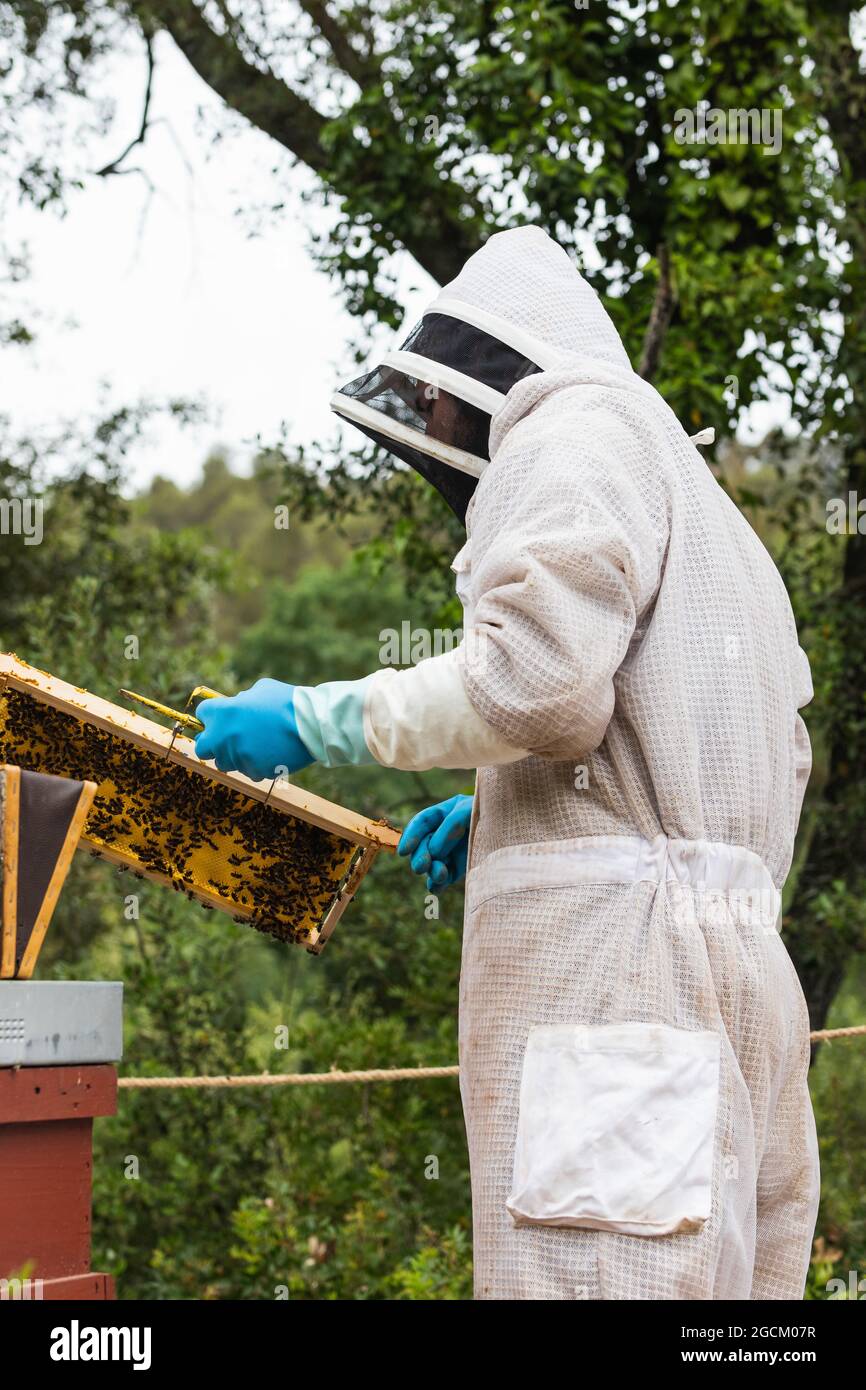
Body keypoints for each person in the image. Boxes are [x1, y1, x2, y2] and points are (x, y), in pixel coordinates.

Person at [195, 226, 820, 1301]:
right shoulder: (705, 512)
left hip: (617, 987)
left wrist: (310, 716)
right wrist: (497, 818)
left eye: (436, 400)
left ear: (485, 372)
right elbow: (710, 760)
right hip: (732, 979)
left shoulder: (568, 432)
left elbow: (537, 683)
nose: (431, 427)